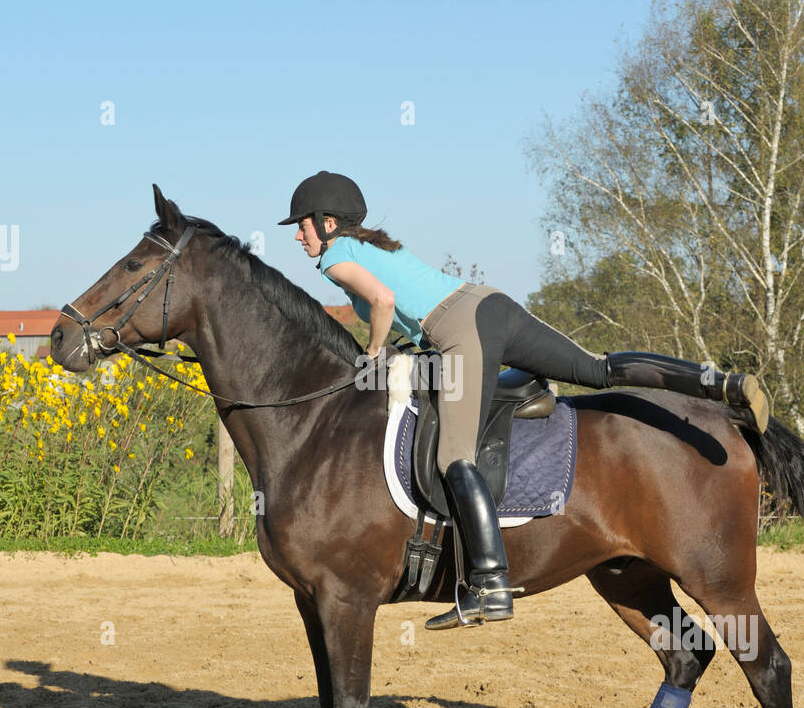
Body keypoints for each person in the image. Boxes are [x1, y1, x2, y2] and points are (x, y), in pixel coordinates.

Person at [279, 171, 769, 631]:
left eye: (301, 226)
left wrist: (371, 353)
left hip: (460, 331)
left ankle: (489, 583)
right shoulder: (373, 246)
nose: (298, 236)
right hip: (491, 306)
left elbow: (383, 302)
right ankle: (721, 385)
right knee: (595, 369)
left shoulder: (334, 256)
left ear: (327, 223)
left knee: (454, 455)